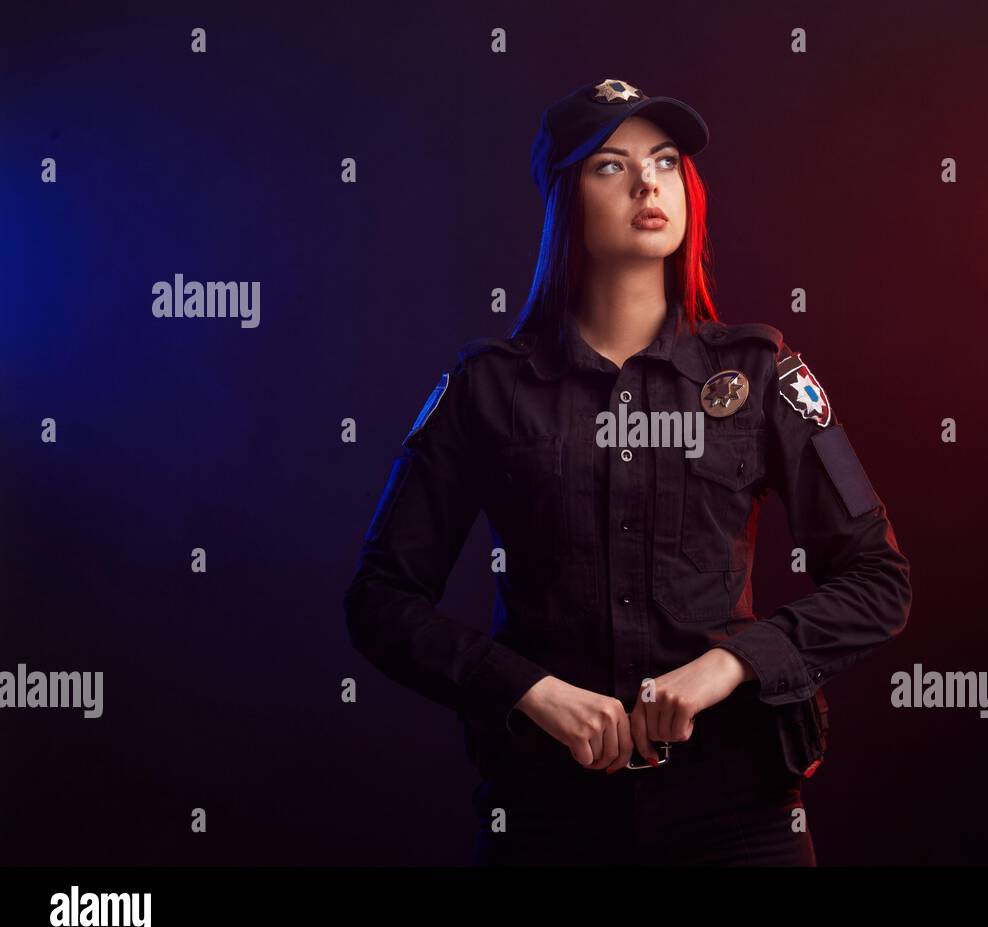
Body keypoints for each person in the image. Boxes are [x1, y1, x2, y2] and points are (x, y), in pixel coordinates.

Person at [343, 77, 913, 866]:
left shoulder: (761, 372)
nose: (649, 182)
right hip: (547, 819)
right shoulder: (488, 388)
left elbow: (878, 580)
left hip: (739, 816)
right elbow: (379, 600)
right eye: (610, 165)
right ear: (563, 199)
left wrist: (730, 666)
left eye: (666, 161)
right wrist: (526, 690)